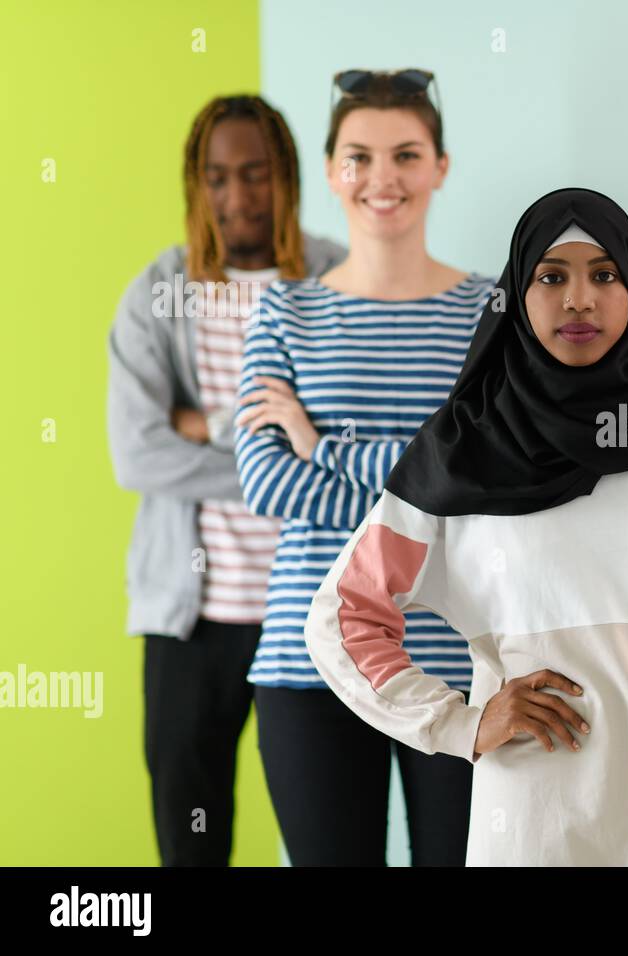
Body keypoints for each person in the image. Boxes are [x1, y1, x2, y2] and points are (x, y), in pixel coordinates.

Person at [303, 187, 628, 866]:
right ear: (517, 292)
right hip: (531, 832)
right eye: (550, 277)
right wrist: (462, 724)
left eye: (604, 275)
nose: (579, 299)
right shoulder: (463, 452)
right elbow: (342, 616)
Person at [234, 69, 495, 865]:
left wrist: (323, 446)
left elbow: (488, 479)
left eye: (406, 155)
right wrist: (424, 478)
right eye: (359, 157)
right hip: (309, 661)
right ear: (330, 169)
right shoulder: (285, 310)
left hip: (458, 663)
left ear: (440, 167)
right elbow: (264, 482)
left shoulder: (489, 312)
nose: (382, 179)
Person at [107, 94, 345, 866]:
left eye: (254, 174)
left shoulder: (341, 276)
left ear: (287, 176)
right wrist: (271, 454)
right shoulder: (159, 291)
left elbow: (367, 440)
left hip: (316, 613)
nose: (237, 197)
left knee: (328, 841)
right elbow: (136, 454)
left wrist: (200, 421)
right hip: (192, 619)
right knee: (190, 843)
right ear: (194, 184)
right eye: (216, 178)